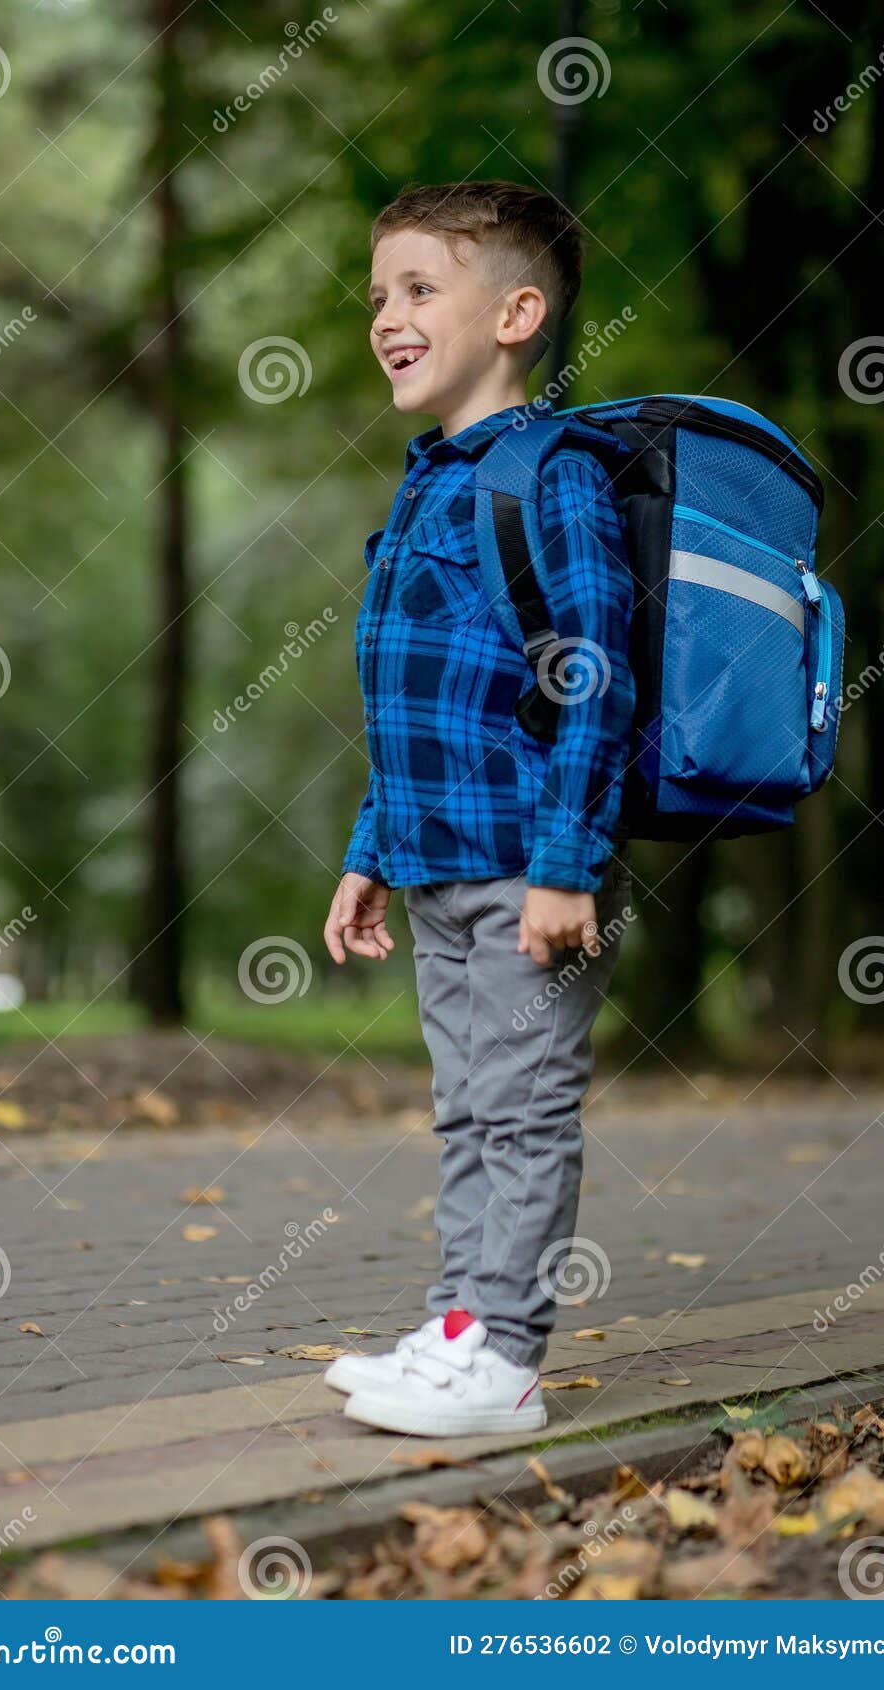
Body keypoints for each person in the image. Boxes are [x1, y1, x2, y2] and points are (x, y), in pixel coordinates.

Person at [322, 180, 636, 1437]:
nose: (386, 317)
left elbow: (593, 674)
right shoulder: (423, 485)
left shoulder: (550, 474)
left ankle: (504, 1361)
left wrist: (568, 866)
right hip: (437, 860)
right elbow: (421, 701)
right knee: (465, 1107)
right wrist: (368, 854)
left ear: (515, 313)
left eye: (416, 289)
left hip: (528, 868)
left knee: (523, 1103)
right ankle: (456, 1324)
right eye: (377, 297)